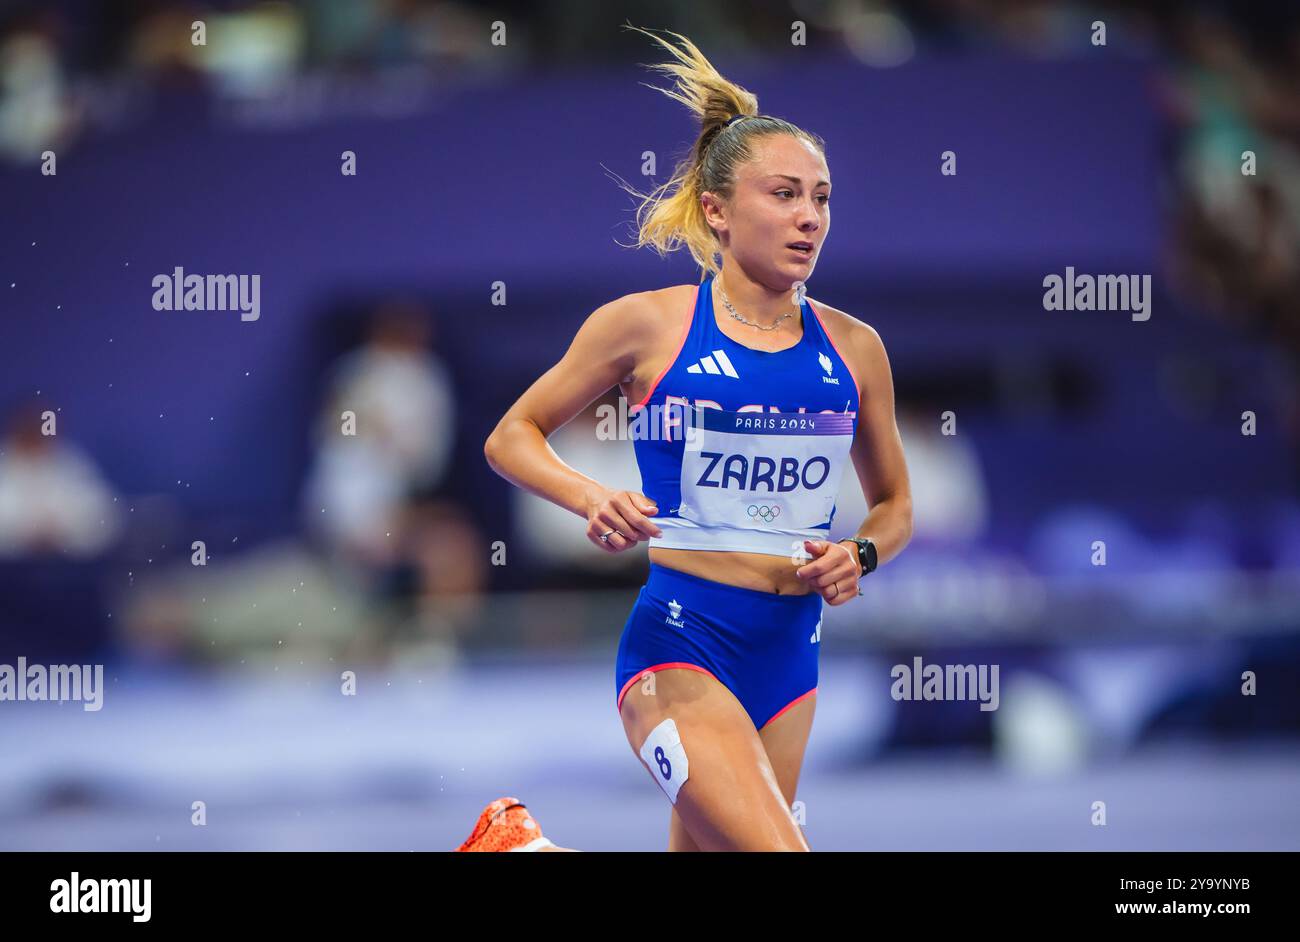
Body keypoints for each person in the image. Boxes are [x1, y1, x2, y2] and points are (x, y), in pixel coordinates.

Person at [465, 26, 912, 852]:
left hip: (791, 659)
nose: (809, 216)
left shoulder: (856, 348)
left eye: (821, 197)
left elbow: (895, 504)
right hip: (681, 641)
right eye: (783, 194)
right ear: (717, 209)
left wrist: (864, 554)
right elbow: (510, 436)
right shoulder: (649, 325)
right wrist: (591, 495)